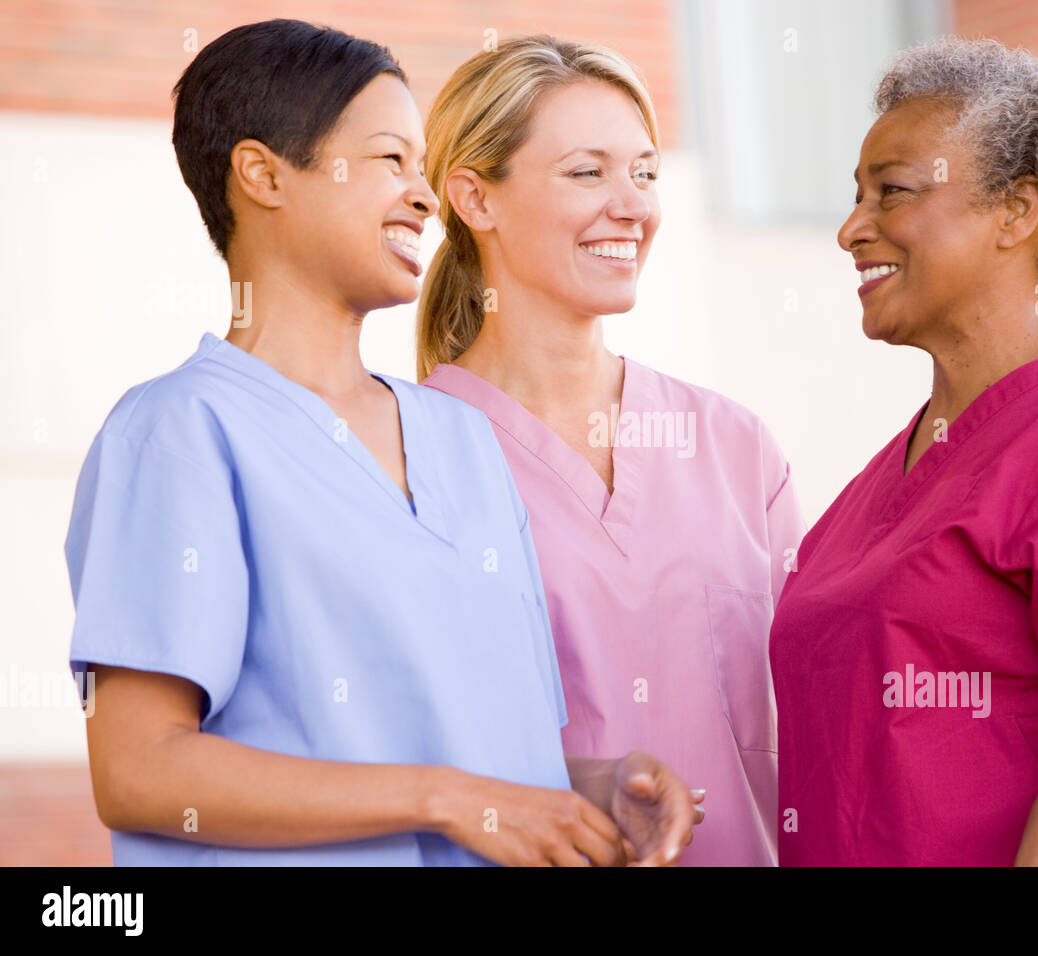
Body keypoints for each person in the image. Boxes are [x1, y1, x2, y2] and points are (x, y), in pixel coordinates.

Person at [64, 18, 696, 867]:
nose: (423, 196)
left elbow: (495, 770)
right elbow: (139, 770)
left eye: (421, 168)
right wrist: (448, 798)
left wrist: (592, 790)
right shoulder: (179, 434)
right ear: (262, 175)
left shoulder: (463, 440)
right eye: (389, 161)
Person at [769, 37, 1038, 865]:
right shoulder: (873, 489)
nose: (850, 229)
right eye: (855, 197)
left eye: (891, 193)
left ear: (1017, 212)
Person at [417, 35, 805, 865]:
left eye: (646, 172)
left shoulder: (735, 448)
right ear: (474, 198)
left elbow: (816, 713)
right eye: (588, 172)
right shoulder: (407, 455)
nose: (632, 206)